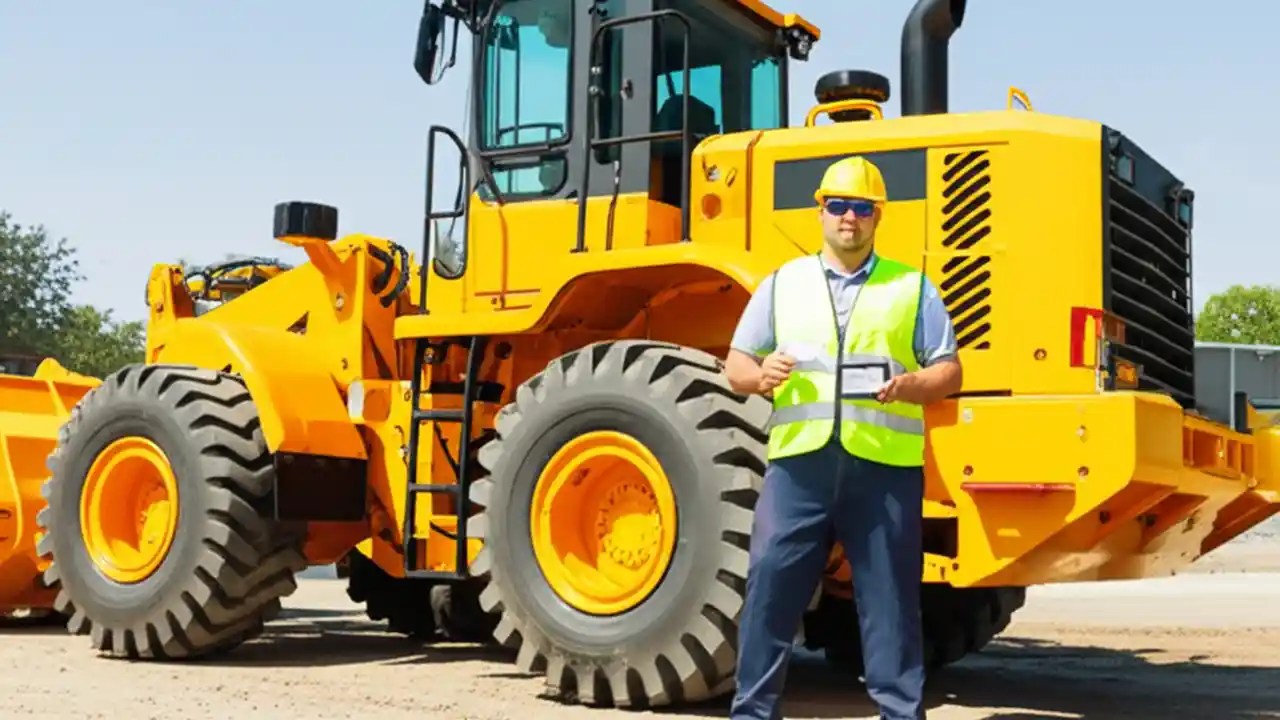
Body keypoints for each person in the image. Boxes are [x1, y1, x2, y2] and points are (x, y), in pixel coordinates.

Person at [723, 155, 962, 720]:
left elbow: (950, 370)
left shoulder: (913, 287)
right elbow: (734, 365)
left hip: (882, 468)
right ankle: (751, 712)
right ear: (820, 211)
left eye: (860, 208)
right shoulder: (782, 285)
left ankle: (900, 713)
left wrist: (912, 385)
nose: (848, 217)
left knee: (890, 600)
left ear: (878, 216)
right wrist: (761, 376)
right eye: (837, 206)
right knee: (770, 589)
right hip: (799, 467)